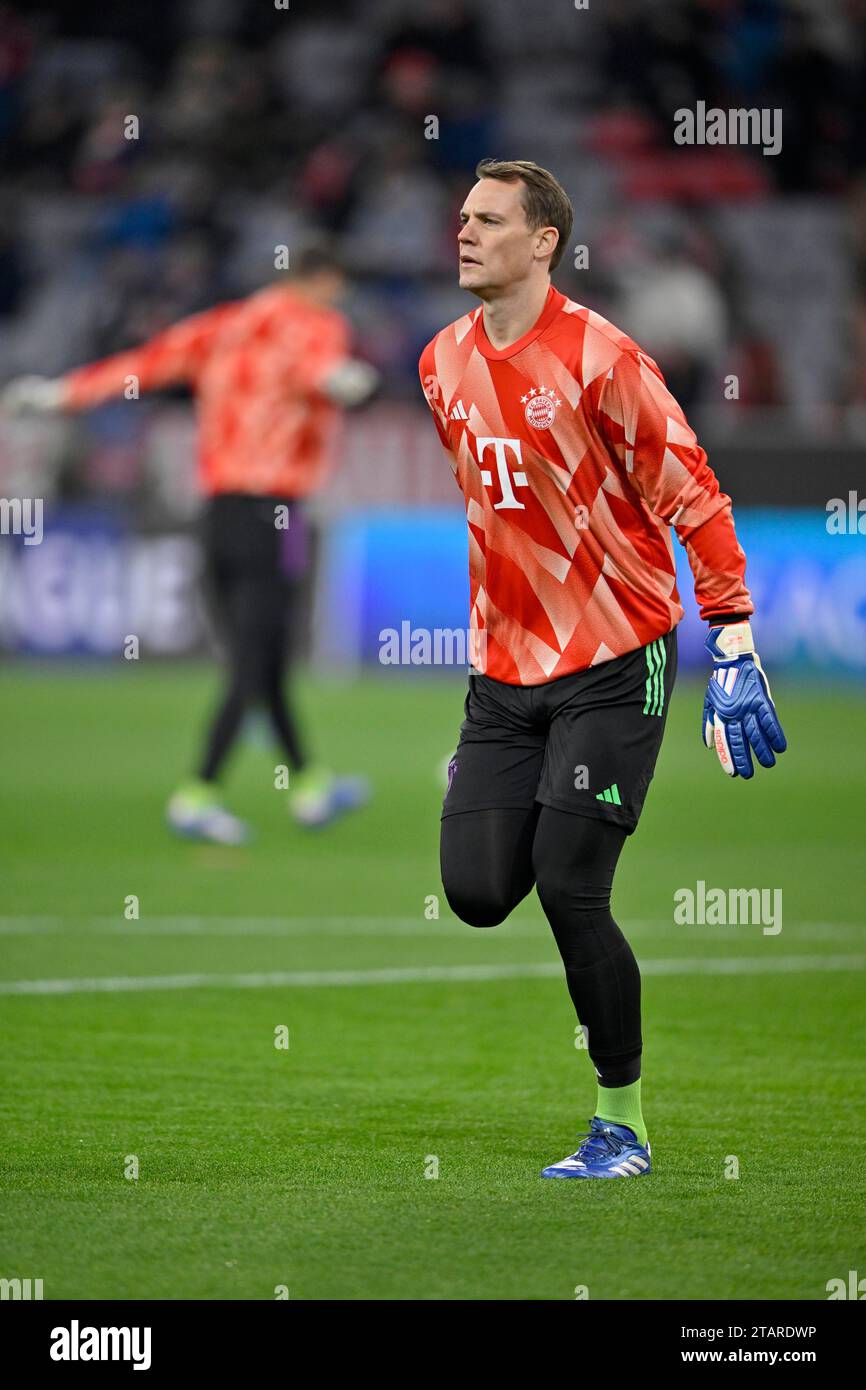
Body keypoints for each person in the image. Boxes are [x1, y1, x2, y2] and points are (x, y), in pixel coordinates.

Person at [418, 159, 786, 1180]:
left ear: (542, 242)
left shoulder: (601, 357)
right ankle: (501, 784)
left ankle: (617, 1123)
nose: (464, 232)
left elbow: (692, 494)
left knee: (567, 884)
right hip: (501, 677)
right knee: (478, 890)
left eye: (488, 220)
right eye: (461, 218)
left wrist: (734, 638)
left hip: (614, 660)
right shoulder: (438, 360)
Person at [2, 246, 379, 842]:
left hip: (218, 512)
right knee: (258, 659)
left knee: (265, 657)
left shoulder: (222, 325)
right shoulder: (318, 324)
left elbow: (144, 366)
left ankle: (309, 786)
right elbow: (314, 367)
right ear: (327, 280)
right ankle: (198, 794)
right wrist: (337, 379)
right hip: (275, 512)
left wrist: (58, 395)